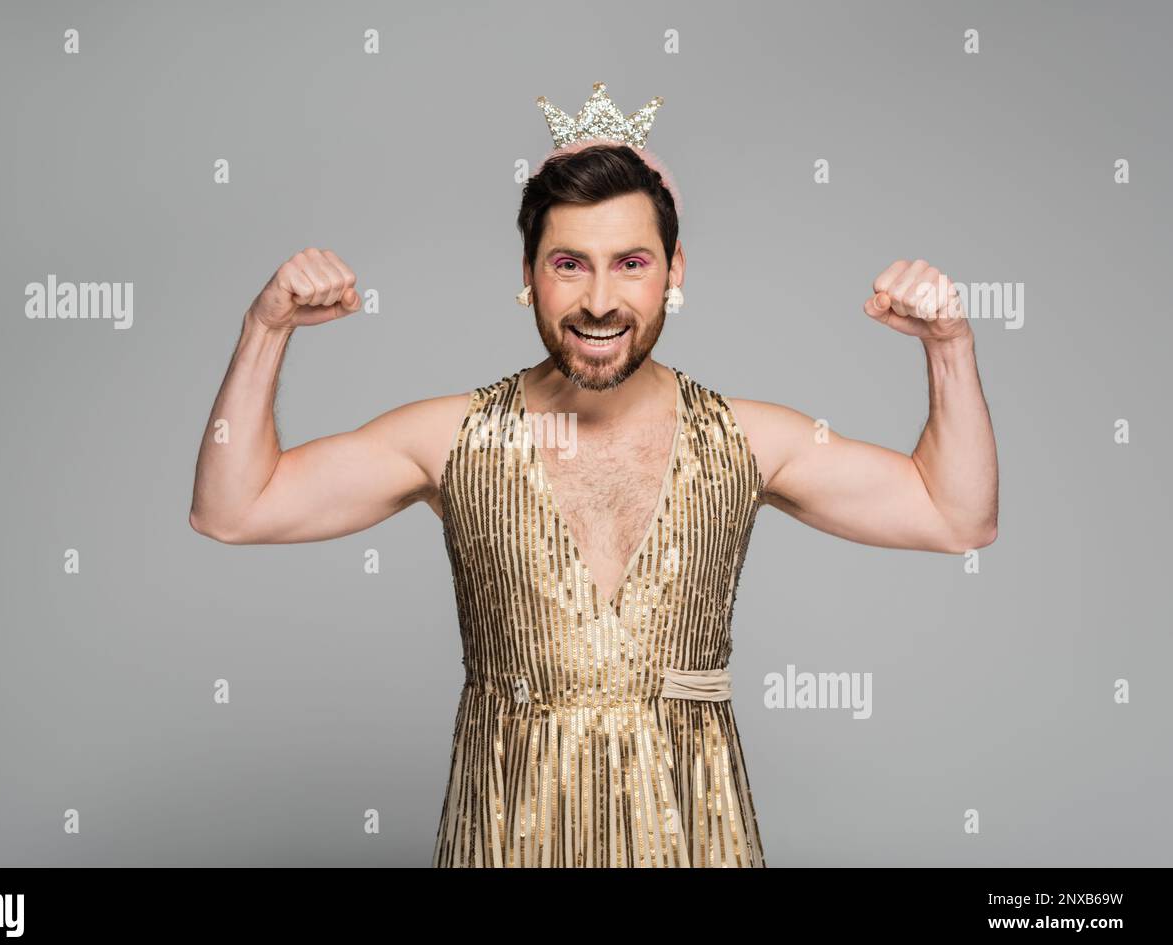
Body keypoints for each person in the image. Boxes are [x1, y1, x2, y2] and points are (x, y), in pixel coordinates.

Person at [187, 82, 999, 867]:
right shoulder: (452, 438)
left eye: (632, 263)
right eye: (570, 264)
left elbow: (955, 515)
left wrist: (950, 347)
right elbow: (234, 507)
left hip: (696, 842)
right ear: (529, 270)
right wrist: (267, 328)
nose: (601, 300)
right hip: (504, 842)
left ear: (675, 270)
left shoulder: (748, 439)